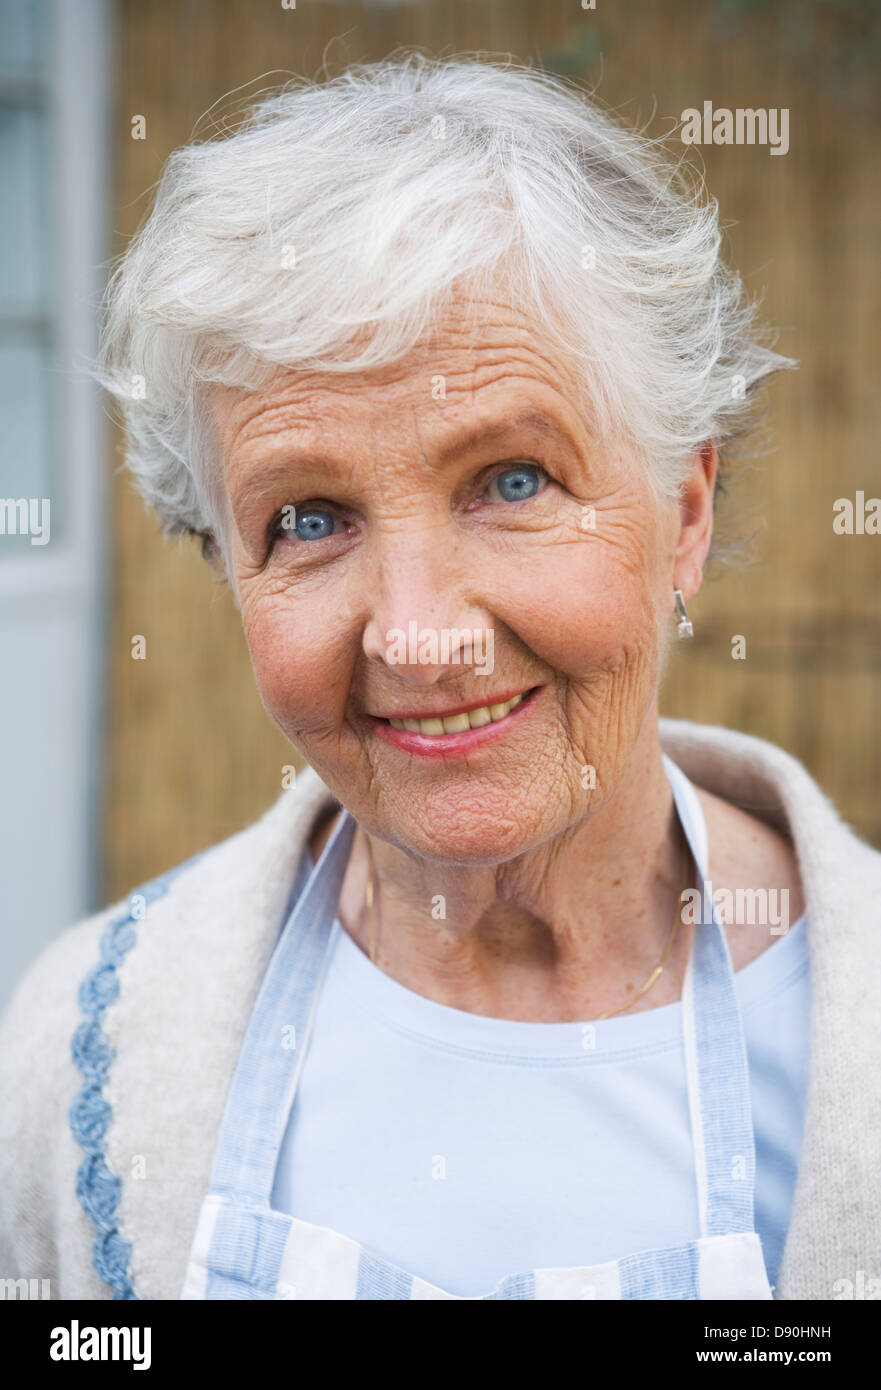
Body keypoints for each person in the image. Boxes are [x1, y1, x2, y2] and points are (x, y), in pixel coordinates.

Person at [2, 54, 879, 1302]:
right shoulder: (77, 1045)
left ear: (682, 512)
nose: (415, 638)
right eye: (306, 518)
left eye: (512, 481)